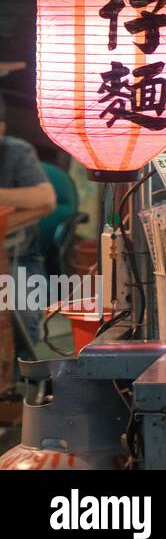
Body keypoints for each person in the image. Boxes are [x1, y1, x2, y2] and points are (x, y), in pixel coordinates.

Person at [0, 93, 57, 350]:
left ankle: (23, 383)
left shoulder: (16, 152)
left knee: (19, 311)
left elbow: (45, 199)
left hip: (18, 258)